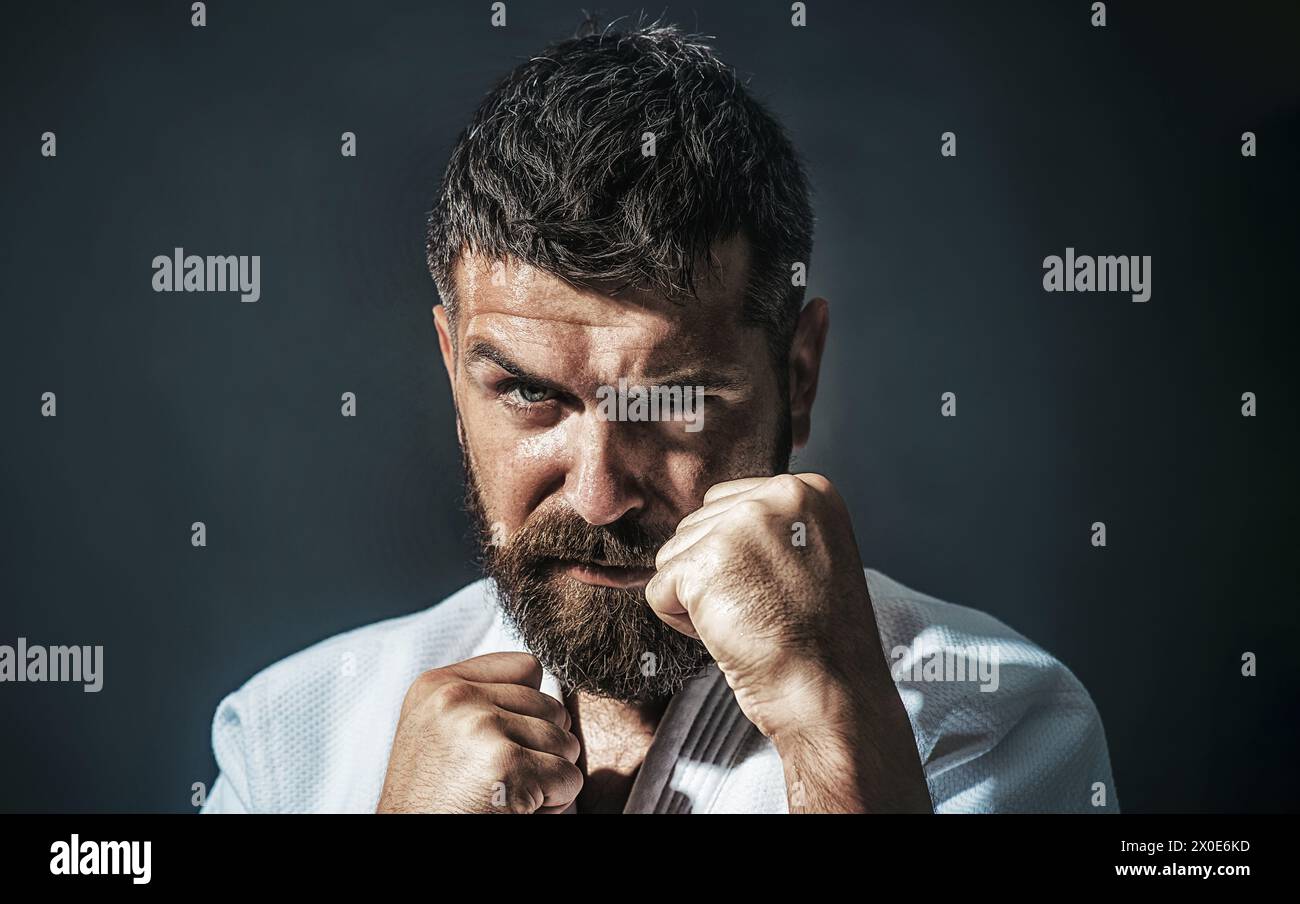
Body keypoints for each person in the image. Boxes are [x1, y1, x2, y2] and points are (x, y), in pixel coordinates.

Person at [201, 21, 1115, 814]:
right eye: (529, 392)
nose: (599, 496)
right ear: (452, 371)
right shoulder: (292, 734)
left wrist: (836, 734)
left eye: (672, 401)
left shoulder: (994, 719)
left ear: (797, 374)